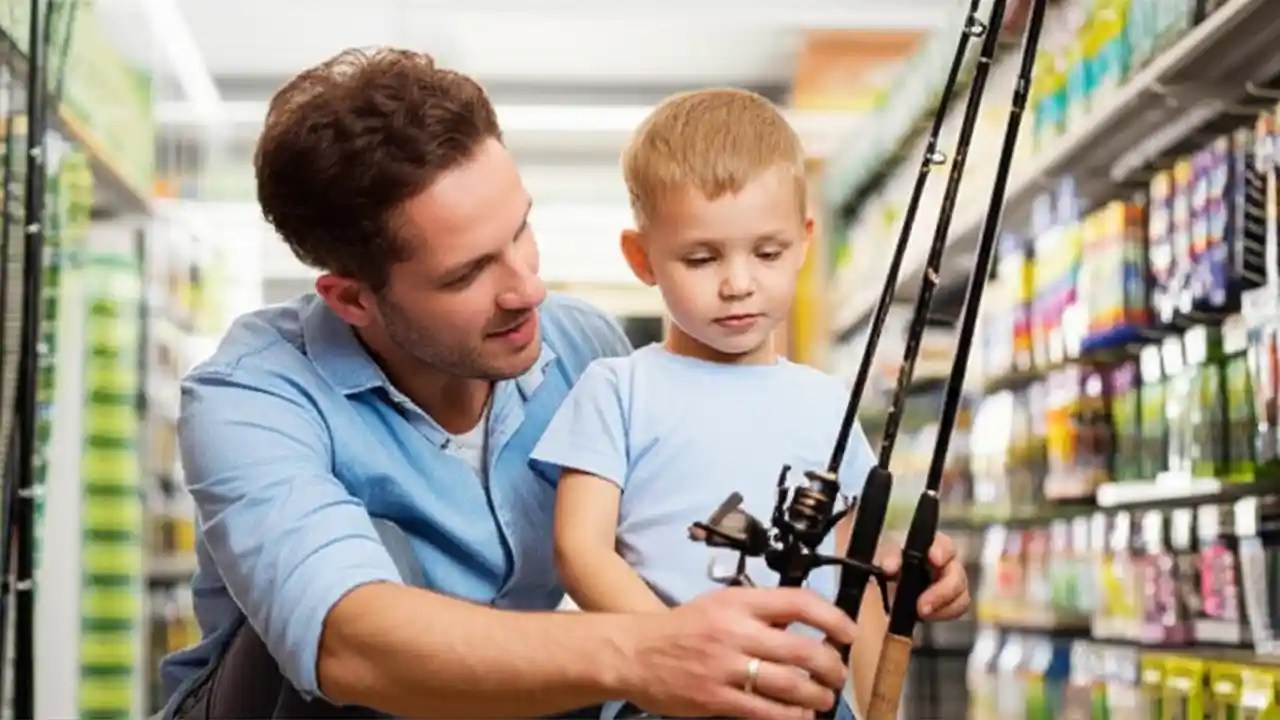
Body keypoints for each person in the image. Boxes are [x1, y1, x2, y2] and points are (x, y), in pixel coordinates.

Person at [158, 46, 970, 720]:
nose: (527, 289)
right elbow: (349, 643)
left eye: (521, 232)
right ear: (352, 299)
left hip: (514, 702)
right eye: (471, 271)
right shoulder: (251, 396)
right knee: (368, 610)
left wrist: (869, 562)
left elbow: (688, 523)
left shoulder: (584, 347)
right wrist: (653, 651)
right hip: (307, 705)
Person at [528, 89, 967, 720]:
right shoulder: (616, 388)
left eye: (768, 252)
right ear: (640, 258)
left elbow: (855, 576)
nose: (738, 283)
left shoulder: (825, 402)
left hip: (811, 701)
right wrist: (682, 656)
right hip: (665, 699)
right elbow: (580, 551)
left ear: (805, 241)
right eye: (701, 257)